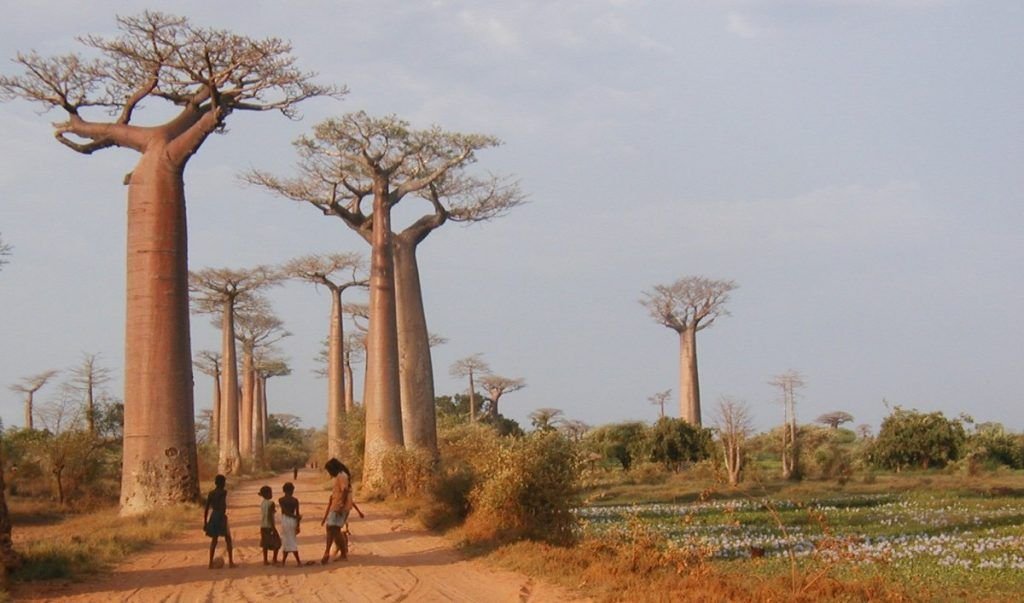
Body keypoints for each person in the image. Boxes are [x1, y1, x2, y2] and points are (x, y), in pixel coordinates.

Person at [320, 457, 359, 563]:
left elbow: (345, 490)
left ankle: (338, 553)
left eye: (329, 471)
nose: (329, 473)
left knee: (333, 528)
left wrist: (341, 504)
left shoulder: (341, 476)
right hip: (337, 505)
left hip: (339, 506)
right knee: (333, 529)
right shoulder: (341, 475)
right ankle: (332, 552)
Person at [203, 474, 236, 569]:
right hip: (221, 516)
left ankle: (210, 563)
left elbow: (206, 508)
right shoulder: (223, 492)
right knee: (228, 539)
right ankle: (230, 562)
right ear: (222, 483)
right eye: (224, 482)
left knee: (214, 540)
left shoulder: (211, 493)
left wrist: (205, 522)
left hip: (213, 516)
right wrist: (223, 518)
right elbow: (222, 506)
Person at [278, 481, 302, 566]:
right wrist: (298, 524)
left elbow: (285, 511)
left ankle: (284, 562)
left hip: (285, 520)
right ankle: (297, 562)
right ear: (292, 490)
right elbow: (297, 513)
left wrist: (296, 517)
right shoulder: (295, 500)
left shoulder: (281, 500)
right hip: (293, 522)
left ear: (284, 490)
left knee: (286, 540)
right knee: (292, 539)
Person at [258, 485, 280, 565]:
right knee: (277, 542)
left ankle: (265, 560)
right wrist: (273, 528)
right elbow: (270, 516)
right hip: (269, 526)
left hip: (263, 526)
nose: (272, 494)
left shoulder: (263, 503)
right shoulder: (271, 503)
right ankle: (274, 559)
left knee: (265, 544)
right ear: (267, 494)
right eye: (270, 492)